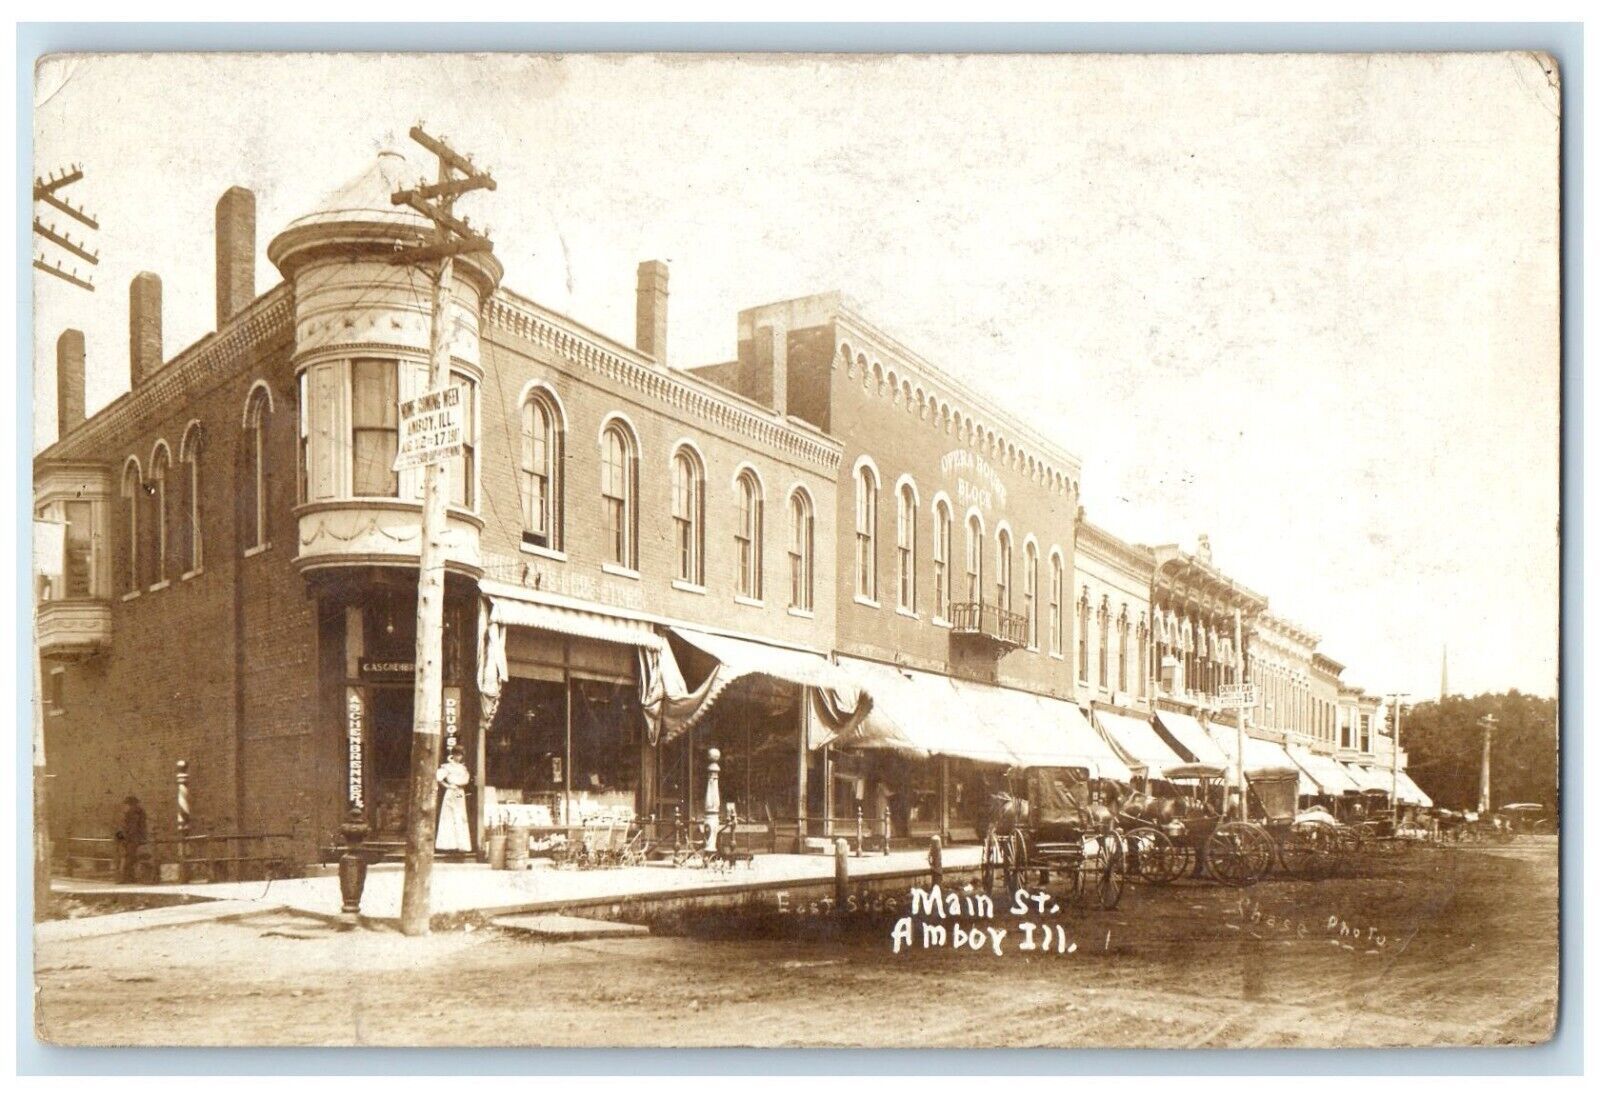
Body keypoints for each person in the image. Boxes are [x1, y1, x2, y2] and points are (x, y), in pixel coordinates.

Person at [435, 747, 473, 854]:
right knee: (448, 816)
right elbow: (438, 778)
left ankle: (460, 845)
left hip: (459, 793)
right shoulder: (447, 767)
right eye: (456, 754)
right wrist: (447, 786)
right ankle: (447, 845)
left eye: (460, 755)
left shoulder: (463, 768)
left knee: (460, 815)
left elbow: (465, 780)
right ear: (453, 755)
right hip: (451, 791)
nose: (458, 757)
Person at [115, 795, 147, 883]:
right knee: (128, 857)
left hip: (127, 838)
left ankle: (125, 877)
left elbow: (122, 828)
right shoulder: (135, 812)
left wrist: (120, 840)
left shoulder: (129, 812)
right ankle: (125, 878)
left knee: (127, 857)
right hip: (130, 838)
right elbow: (128, 827)